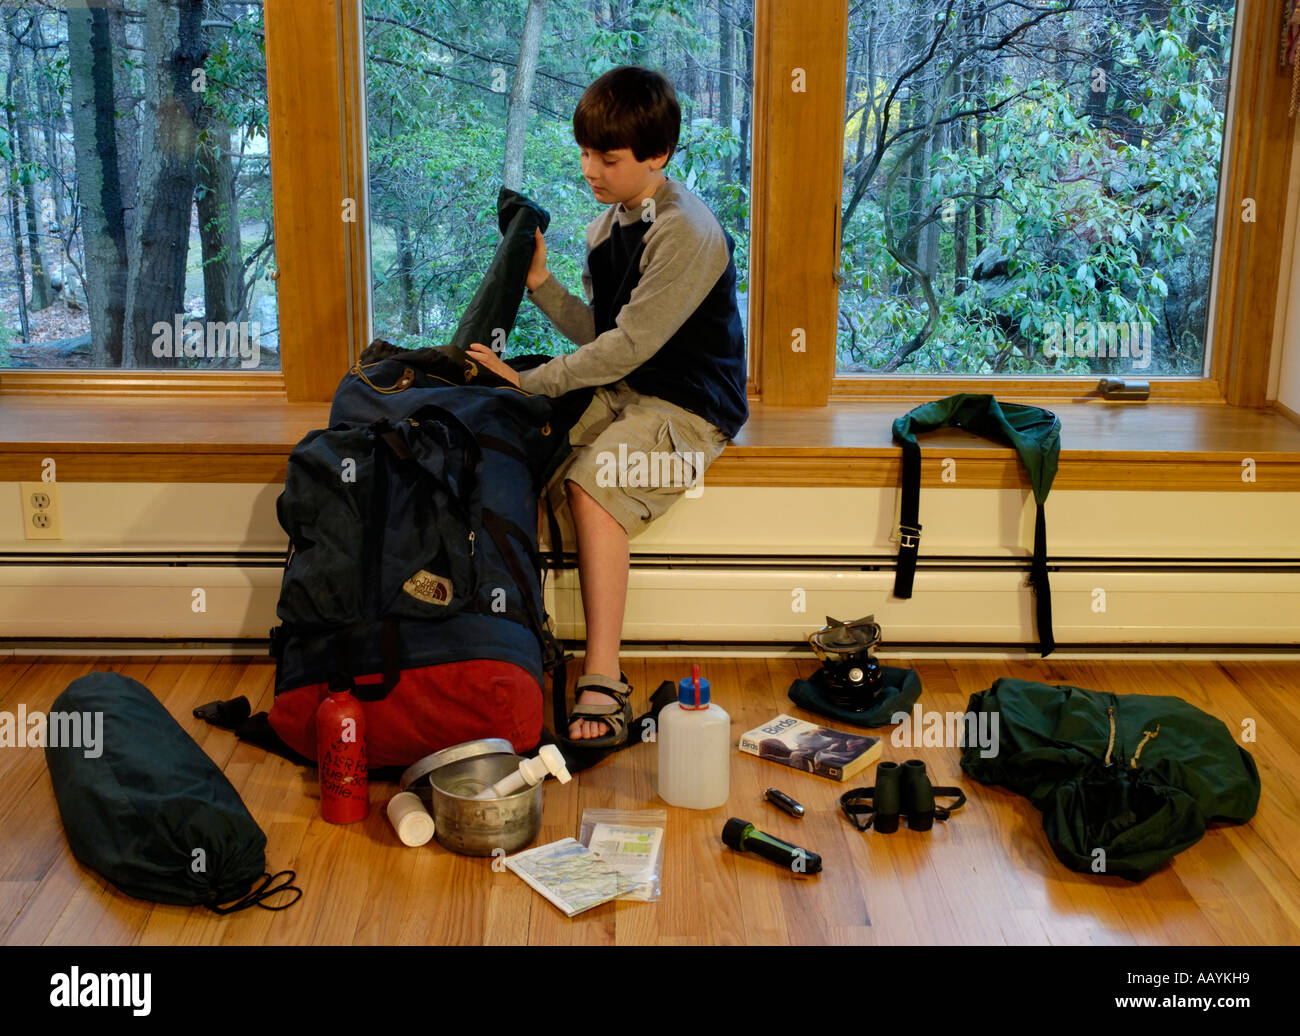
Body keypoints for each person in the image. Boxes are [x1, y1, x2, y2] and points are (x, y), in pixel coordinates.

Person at [468, 65, 748, 747]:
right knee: (515, 461)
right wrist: (540, 284)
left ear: (658, 156)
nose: (590, 169)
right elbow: (604, 331)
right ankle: (503, 645)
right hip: (627, 388)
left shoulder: (687, 230)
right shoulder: (605, 227)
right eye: (586, 152)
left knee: (595, 487)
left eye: (608, 157)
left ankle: (604, 675)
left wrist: (528, 379)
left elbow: (626, 347)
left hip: (687, 407)